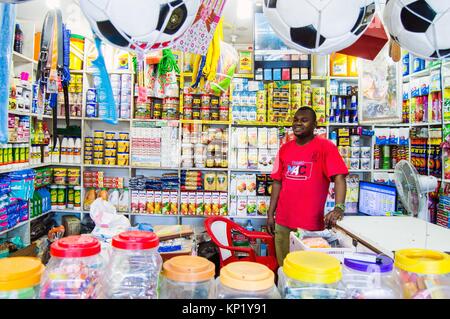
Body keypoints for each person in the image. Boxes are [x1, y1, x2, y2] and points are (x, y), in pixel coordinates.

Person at [267, 107, 349, 267]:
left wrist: (339, 207)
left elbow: (339, 177)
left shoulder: (326, 147)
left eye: (304, 120)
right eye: (296, 120)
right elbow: (277, 182)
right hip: (283, 222)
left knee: (308, 269)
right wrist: (271, 214)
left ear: (315, 125)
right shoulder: (284, 149)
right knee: (285, 268)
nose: (298, 123)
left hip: (311, 226)